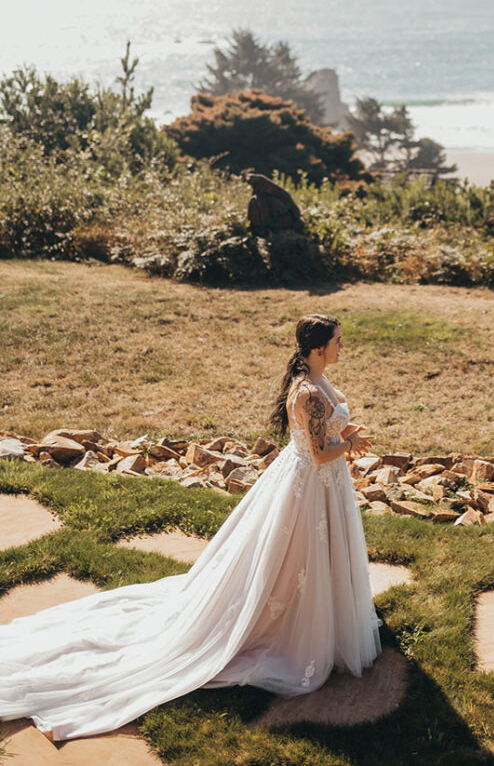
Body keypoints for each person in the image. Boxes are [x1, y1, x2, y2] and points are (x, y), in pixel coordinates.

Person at [0, 313, 380, 743]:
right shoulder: (307, 392)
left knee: (310, 556)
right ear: (317, 347)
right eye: (337, 340)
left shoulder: (318, 381)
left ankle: (319, 615)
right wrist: (350, 443)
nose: (341, 346)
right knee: (297, 556)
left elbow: (324, 434)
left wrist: (345, 431)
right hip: (310, 485)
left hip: (322, 486)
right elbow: (319, 453)